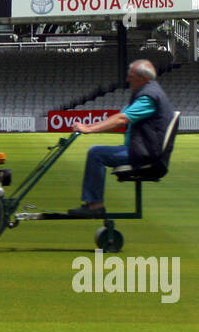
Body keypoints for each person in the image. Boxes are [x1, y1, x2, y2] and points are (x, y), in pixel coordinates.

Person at [67, 59, 174, 217]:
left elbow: (122, 119)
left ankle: (95, 205)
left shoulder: (148, 97)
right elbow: (120, 119)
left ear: (144, 79)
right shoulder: (148, 92)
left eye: (131, 76)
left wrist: (88, 129)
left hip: (145, 154)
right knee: (97, 152)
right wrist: (90, 127)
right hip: (142, 150)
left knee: (96, 153)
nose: (128, 79)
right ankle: (94, 203)